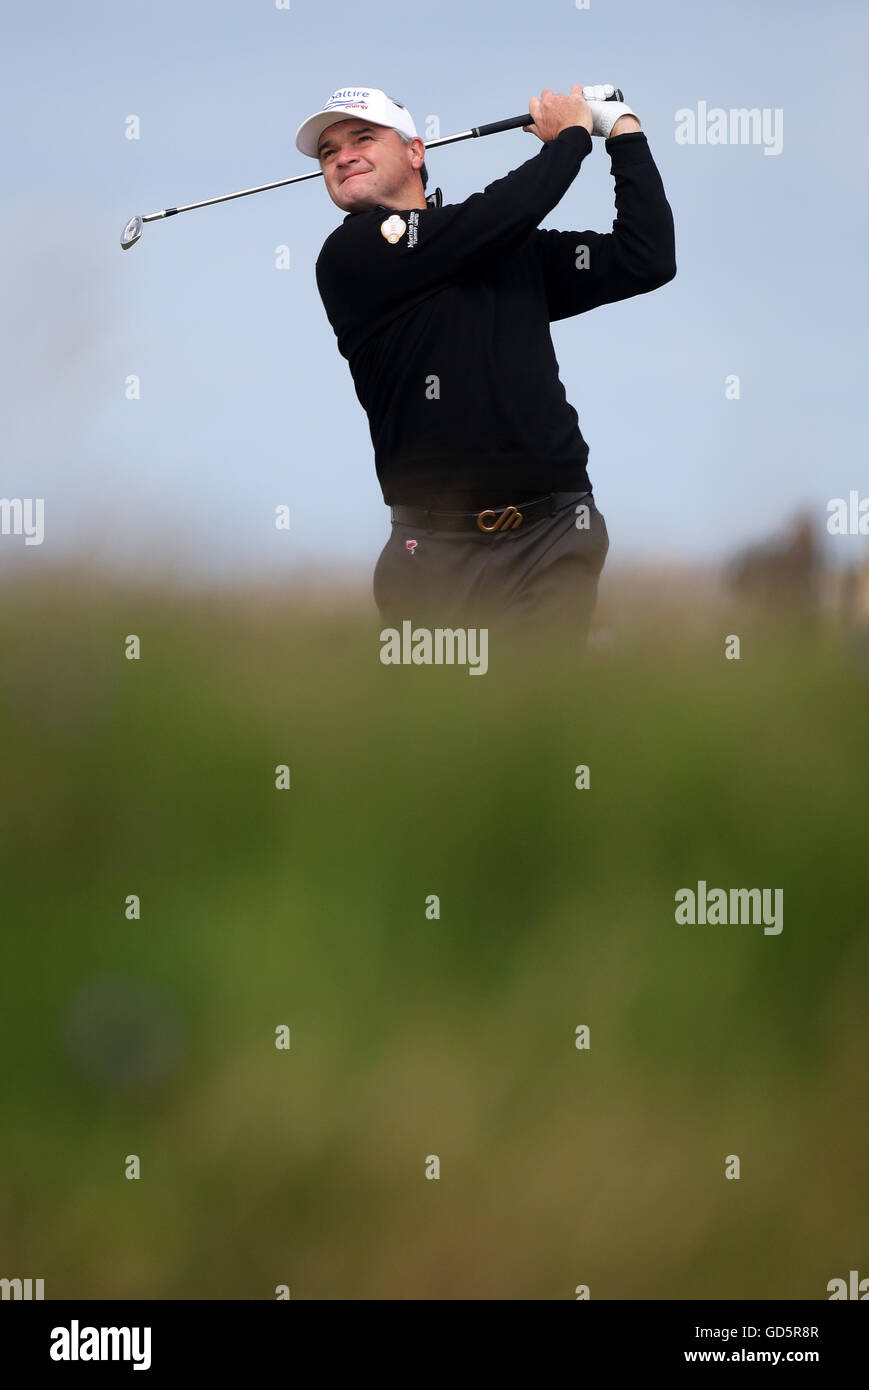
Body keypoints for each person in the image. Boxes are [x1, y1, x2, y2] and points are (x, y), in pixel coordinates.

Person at [296, 84, 676, 642]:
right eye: (329, 152)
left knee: (533, 717)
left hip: (554, 532)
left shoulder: (501, 248)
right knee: (431, 727)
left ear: (415, 152)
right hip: (429, 553)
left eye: (362, 138)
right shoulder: (350, 255)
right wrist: (570, 137)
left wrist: (623, 131)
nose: (343, 155)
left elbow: (646, 257)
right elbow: (498, 215)